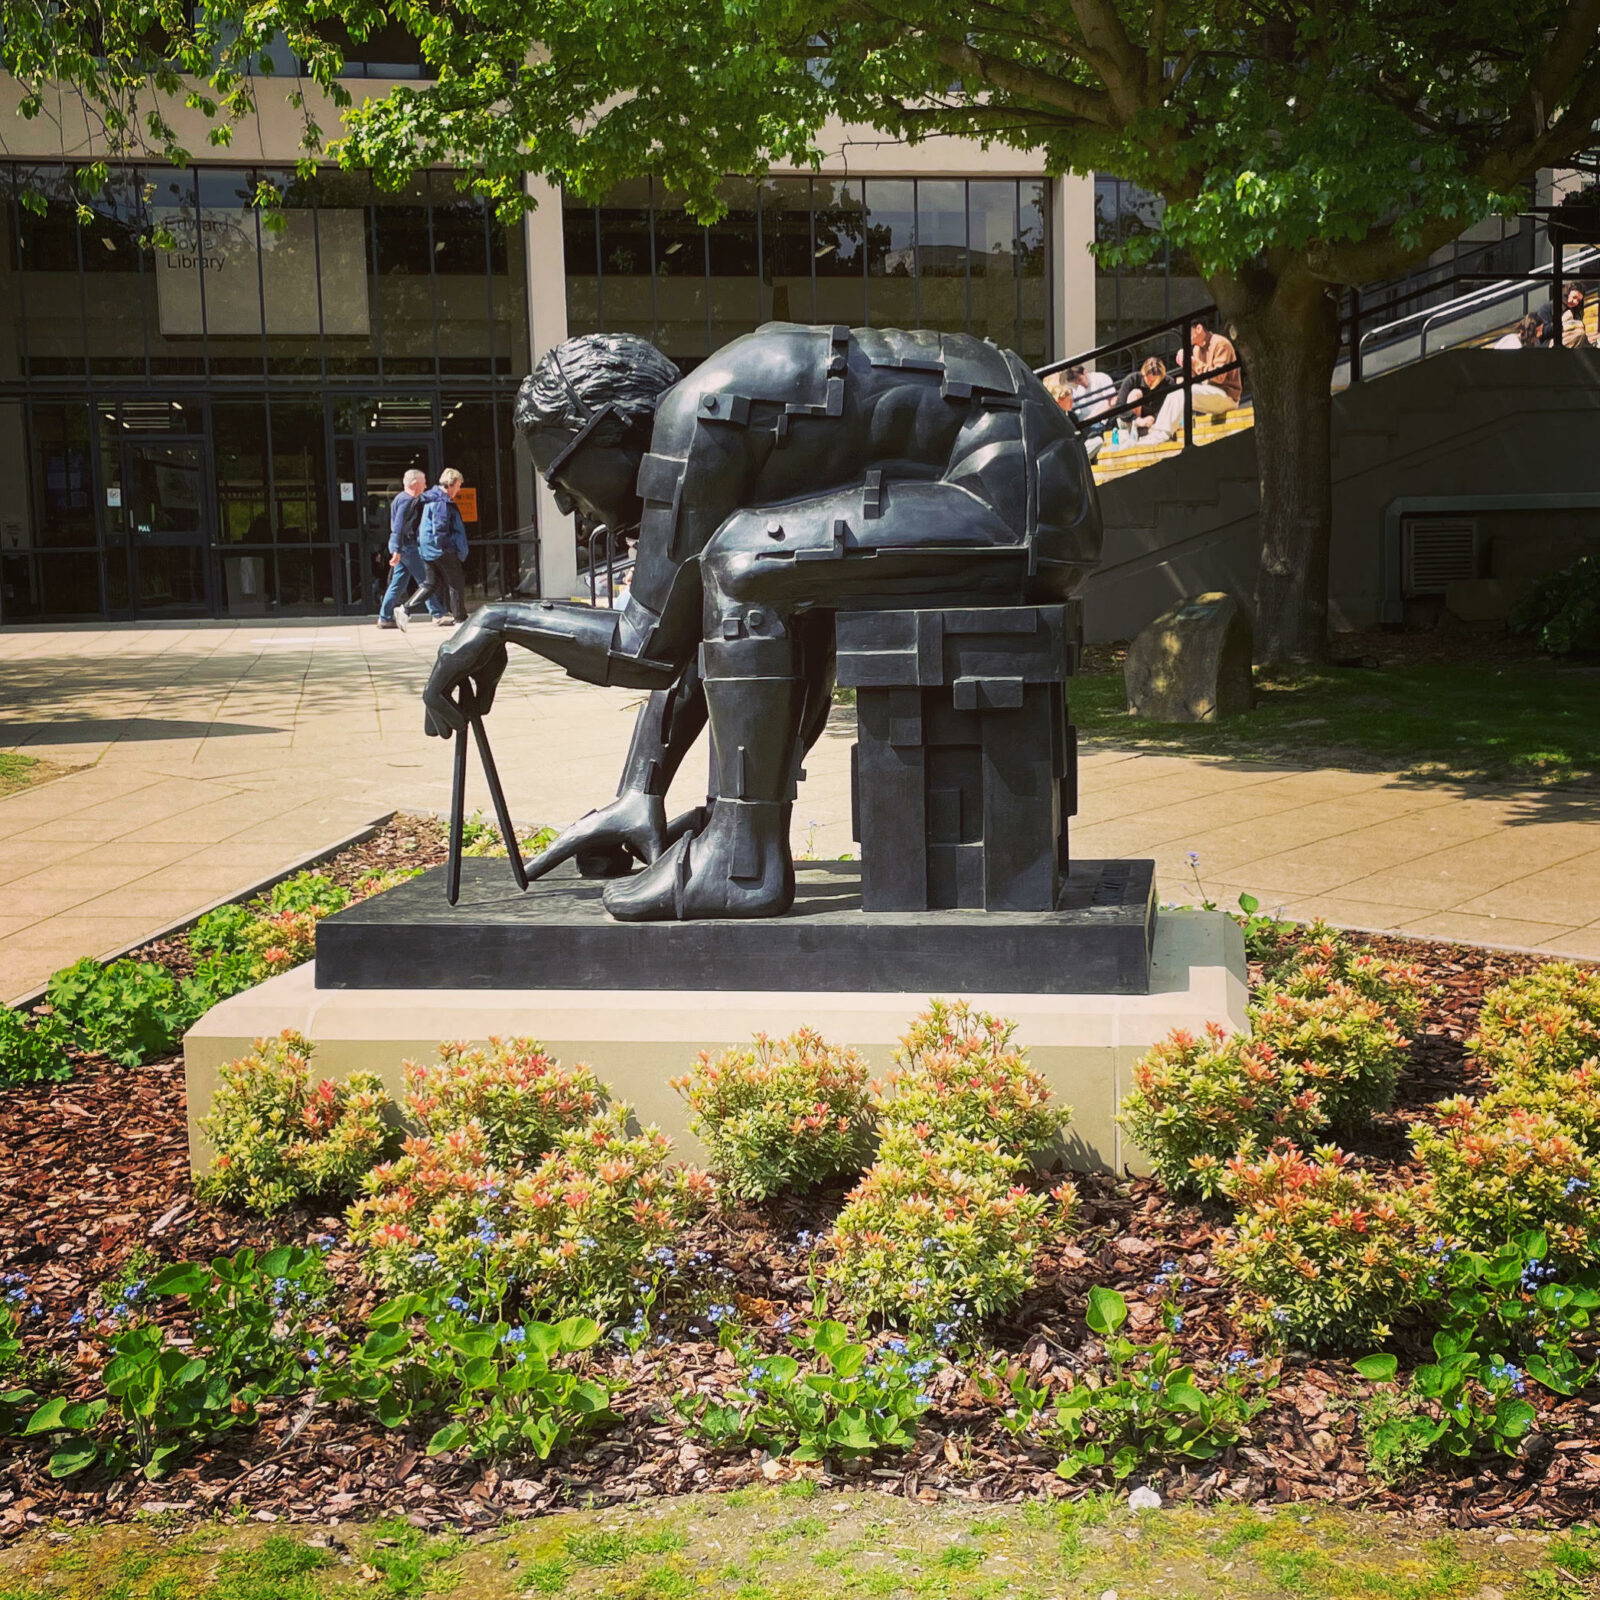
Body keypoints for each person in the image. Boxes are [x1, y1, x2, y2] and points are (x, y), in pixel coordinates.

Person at [421, 324, 1102, 921]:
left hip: (1018, 499)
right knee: (764, 563)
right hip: (1022, 474)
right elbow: (690, 627)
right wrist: (641, 788)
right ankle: (734, 834)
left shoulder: (697, 418)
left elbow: (647, 645)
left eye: (563, 480)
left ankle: (741, 864)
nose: (570, 509)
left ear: (608, 433)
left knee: (743, 561)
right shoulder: (723, 400)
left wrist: (498, 620)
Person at [1140, 317, 1242, 444]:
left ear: (1199, 328)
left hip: (1227, 397)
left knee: (1183, 392)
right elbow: (1196, 380)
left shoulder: (1221, 343)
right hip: (1212, 395)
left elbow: (1219, 378)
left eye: (1188, 332)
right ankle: (1159, 432)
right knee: (1178, 391)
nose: (1186, 337)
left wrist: (1193, 362)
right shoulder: (1197, 350)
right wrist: (1186, 364)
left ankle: (1162, 434)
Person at [397, 468, 470, 629]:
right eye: (458, 485)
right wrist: (449, 548)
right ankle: (460, 619)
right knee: (456, 582)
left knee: (430, 583)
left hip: (427, 549)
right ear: (451, 484)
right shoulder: (440, 501)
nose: (459, 489)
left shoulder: (430, 498)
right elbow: (440, 528)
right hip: (440, 550)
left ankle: (405, 609)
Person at [377, 469, 446, 628]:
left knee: (398, 583)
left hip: (403, 548)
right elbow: (398, 526)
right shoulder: (407, 501)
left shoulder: (403, 498)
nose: (426, 485)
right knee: (426, 581)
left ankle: (385, 617)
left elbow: (427, 496)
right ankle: (438, 614)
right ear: (415, 483)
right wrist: (396, 549)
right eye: (424, 482)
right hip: (407, 547)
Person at [1114, 356, 1174, 428]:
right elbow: (1119, 407)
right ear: (1143, 373)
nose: (1151, 383)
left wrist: (1154, 417)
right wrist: (1137, 420)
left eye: (1154, 381)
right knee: (1136, 393)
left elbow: (1173, 405)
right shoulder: (1132, 379)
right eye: (1148, 380)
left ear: (1161, 377)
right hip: (1132, 421)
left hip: (1158, 421)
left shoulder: (1168, 382)